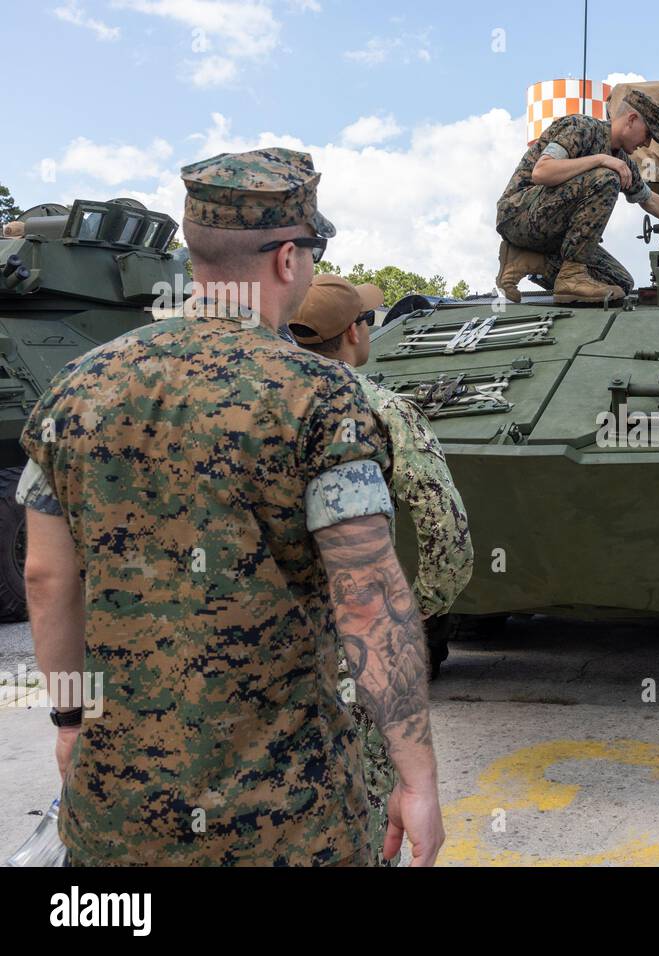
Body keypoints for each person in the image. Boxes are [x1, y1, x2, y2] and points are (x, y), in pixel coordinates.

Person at [18, 148, 444, 866]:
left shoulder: (77, 386)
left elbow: (46, 579)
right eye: (312, 251)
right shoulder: (322, 396)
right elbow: (368, 596)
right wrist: (417, 775)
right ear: (287, 259)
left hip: (119, 809)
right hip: (289, 816)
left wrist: (69, 720)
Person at [289, 273, 474, 865]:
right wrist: (418, 610)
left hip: (257, 648)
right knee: (364, 807)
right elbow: (445, 530)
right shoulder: (382, 409)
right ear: (355, 332)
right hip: (355, 646)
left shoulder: (249, 398)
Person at [495, 88, 659, 304]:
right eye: (648, 134)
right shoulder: (581, 128)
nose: (646, 144)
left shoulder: (621, 160)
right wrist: (600, 159)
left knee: (619, 283)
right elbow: (542, 172)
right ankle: (571, 275)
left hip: (552, 234)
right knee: (607, 178)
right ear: (631, 120)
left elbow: (649, 199)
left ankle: (529, 260)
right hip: (519, 216)